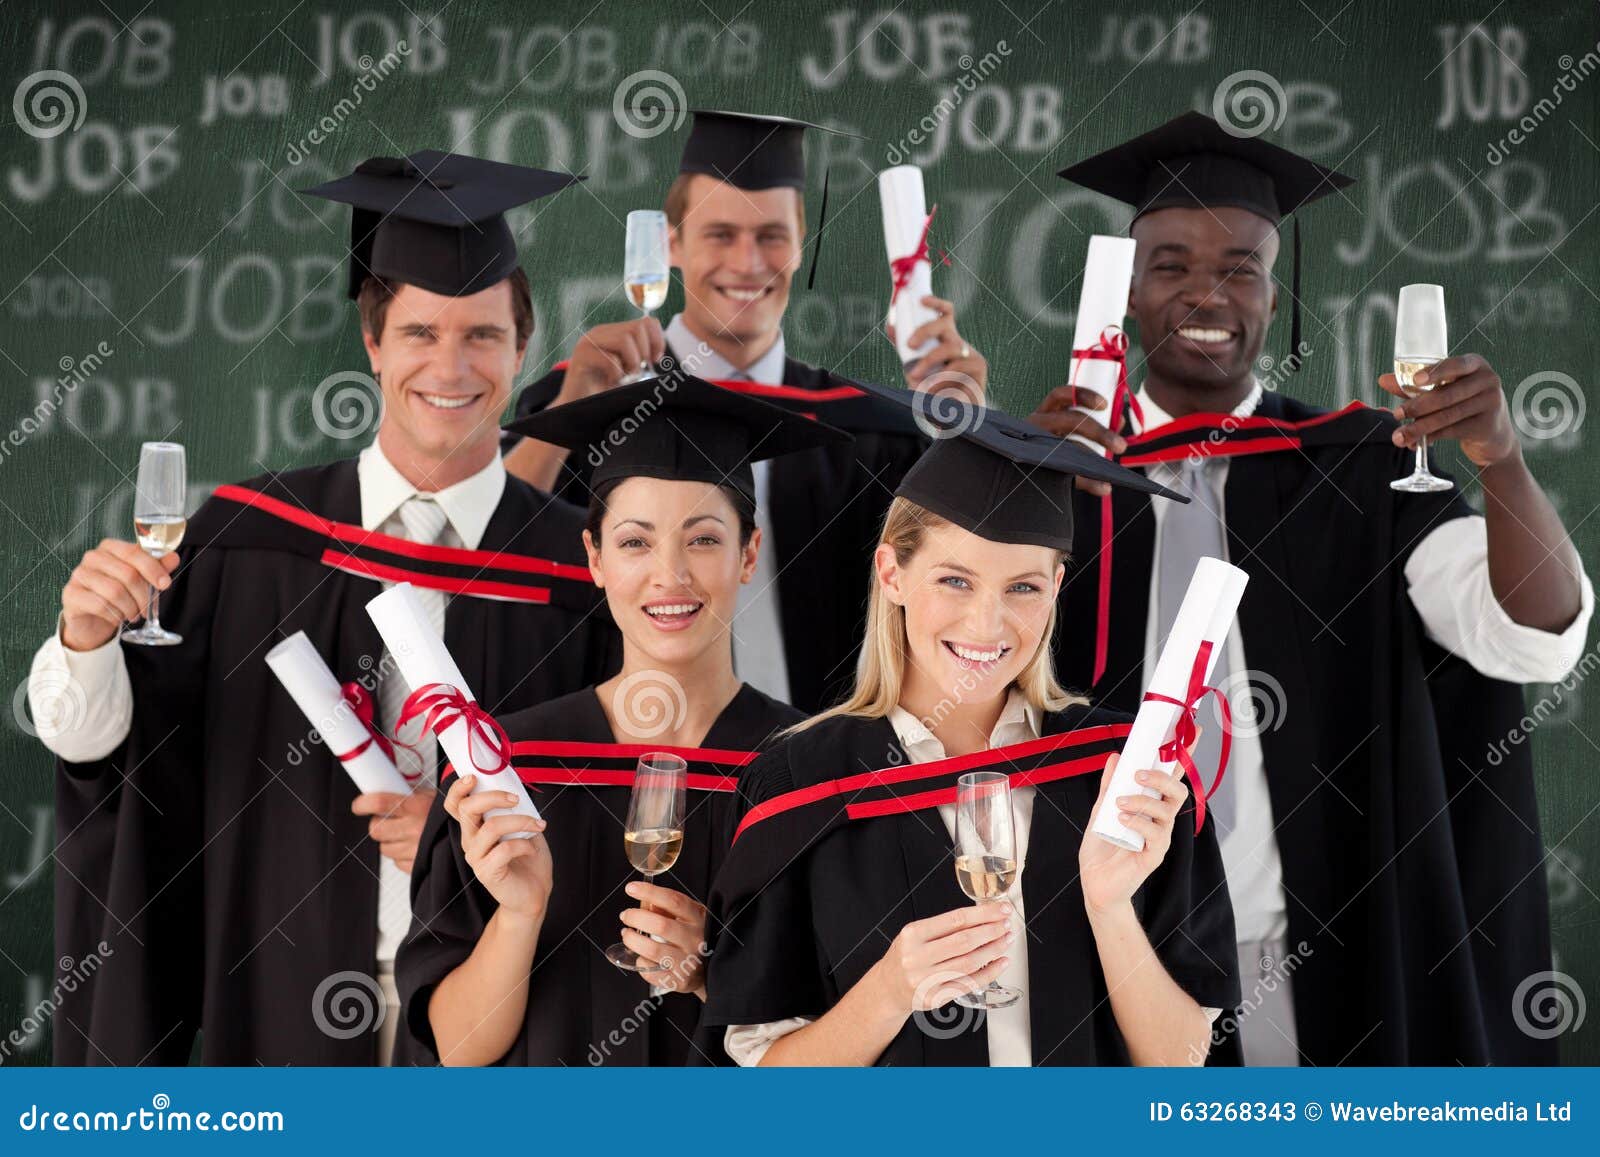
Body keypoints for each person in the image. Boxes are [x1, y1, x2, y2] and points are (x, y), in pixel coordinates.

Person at [27, 150, 620, 1065]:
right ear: (374, 346)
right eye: (421, 333)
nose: (452, 366)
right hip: (278, 1006)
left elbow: (629, 807)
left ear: (520, 349)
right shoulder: (253, 538)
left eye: (483, 336)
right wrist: (88, 642)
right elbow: (120, 762)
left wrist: (456, 851)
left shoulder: (584, 567)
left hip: (503, 1022)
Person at [1039, 111, 1593, 1064]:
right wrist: (1026, 488)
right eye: (1170, 264)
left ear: (1274, 292)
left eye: (1241, 266)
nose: (1206, 292)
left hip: (1309, 941)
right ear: (1128, 293)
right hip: (1097, 943)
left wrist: (1499, 462)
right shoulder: (1054, 472)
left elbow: (1531, 636)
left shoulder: (1361, 472)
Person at [702, 383, 1240, 1065]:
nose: (987, 624)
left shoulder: (1124, 770)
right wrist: (891, 989)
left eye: (1023, 586)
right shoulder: (799, 780)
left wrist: (1107, 906)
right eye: (955, 581)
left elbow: (1182, 1058)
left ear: (1055, 588)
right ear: (892, 573)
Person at [397, 376, 842, 1065]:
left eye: (703, 539)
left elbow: (849, 1046)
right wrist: (520, 913)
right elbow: (456, 1048)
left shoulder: (814, 771)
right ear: (595, 559)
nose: (670, 575)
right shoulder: (506, 765)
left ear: (748, 555)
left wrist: (711, 976)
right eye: (635, 543)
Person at [505, 109, 989, 712]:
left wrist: (967, 428)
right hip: (626, 762)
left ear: (799, 245)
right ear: (671, 244)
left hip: (820, 765)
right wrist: (574, 406)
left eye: (771, 237)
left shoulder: (863, 429)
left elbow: (956, 585)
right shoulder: (589, 406)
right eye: (720, 234)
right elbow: (496, 556)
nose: (748, 262)